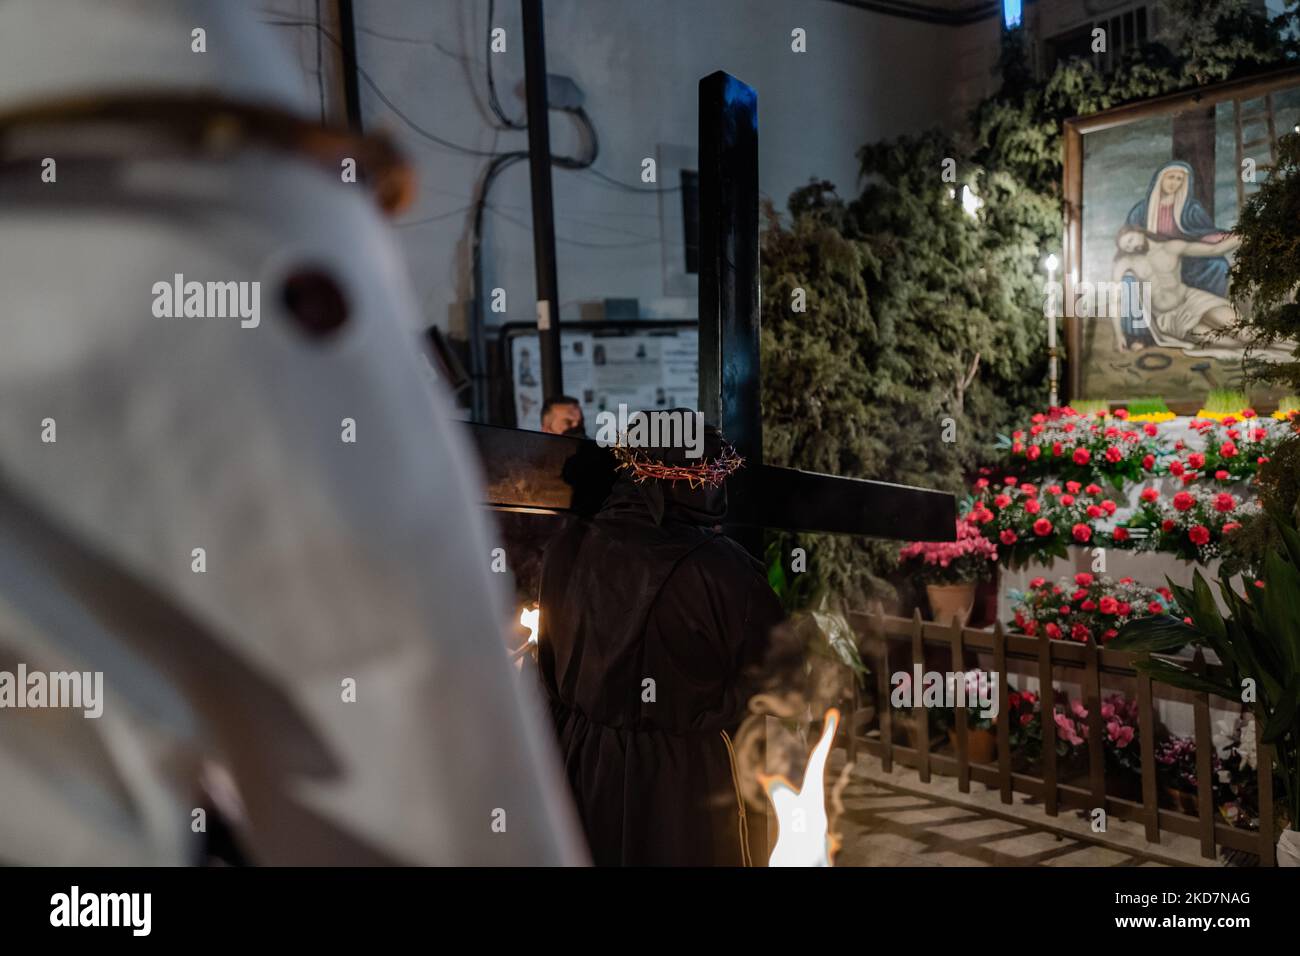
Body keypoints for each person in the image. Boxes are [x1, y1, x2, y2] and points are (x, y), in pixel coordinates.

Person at [536, 420, 787, 865]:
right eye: (706, 477)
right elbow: (779, 674)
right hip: (685, 778)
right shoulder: (722, 571)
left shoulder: (566, 547)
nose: (716, 489)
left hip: (582, 764)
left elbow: (547, 670)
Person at [1109, 225, 1291, 360]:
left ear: (1139, 231)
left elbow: (1215, 249)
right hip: (1172, 317)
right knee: (1233, 343)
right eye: (1126, 247)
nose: (1131, 247)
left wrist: (1253, 233)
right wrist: (1119, 335)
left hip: (1193, 299)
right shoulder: (1126, 262)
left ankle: (1294, 347)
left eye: (1131, 240)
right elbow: (1115, 299)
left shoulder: (1172, 247)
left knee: (1245, 333)